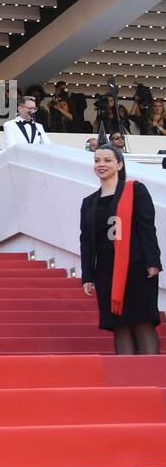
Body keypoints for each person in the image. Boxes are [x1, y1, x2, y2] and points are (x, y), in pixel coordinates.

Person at [80, 145, 161, 355]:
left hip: (137, 268)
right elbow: (87, 241)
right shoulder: (89, 203)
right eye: (97, 160)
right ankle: (129, 382)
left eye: (107, 160)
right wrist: (87, 275)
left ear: (119, 164)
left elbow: (147, 227)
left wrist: (153, 261)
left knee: (141, 323)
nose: (101, 165)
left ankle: (150, 378)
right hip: (106, 272)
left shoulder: (136, 190)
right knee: (120, 326)